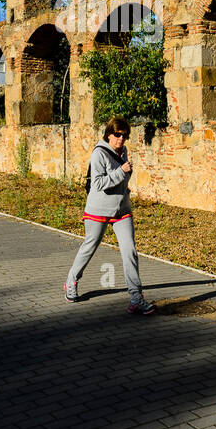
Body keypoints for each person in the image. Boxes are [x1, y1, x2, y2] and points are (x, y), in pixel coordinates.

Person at [64, 116, 156, 315]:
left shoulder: (123, 151)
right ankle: (71, 281)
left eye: (124, 135)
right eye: (117, 135)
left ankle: (135, 297)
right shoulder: (99, 153)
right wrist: (121, 172)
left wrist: (124, 176)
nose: (121, 139)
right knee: (89, 247)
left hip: (122, 210)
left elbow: (123, 178)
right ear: (108, 134)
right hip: (99, 210)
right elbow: (98, 184)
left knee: (129, 251)